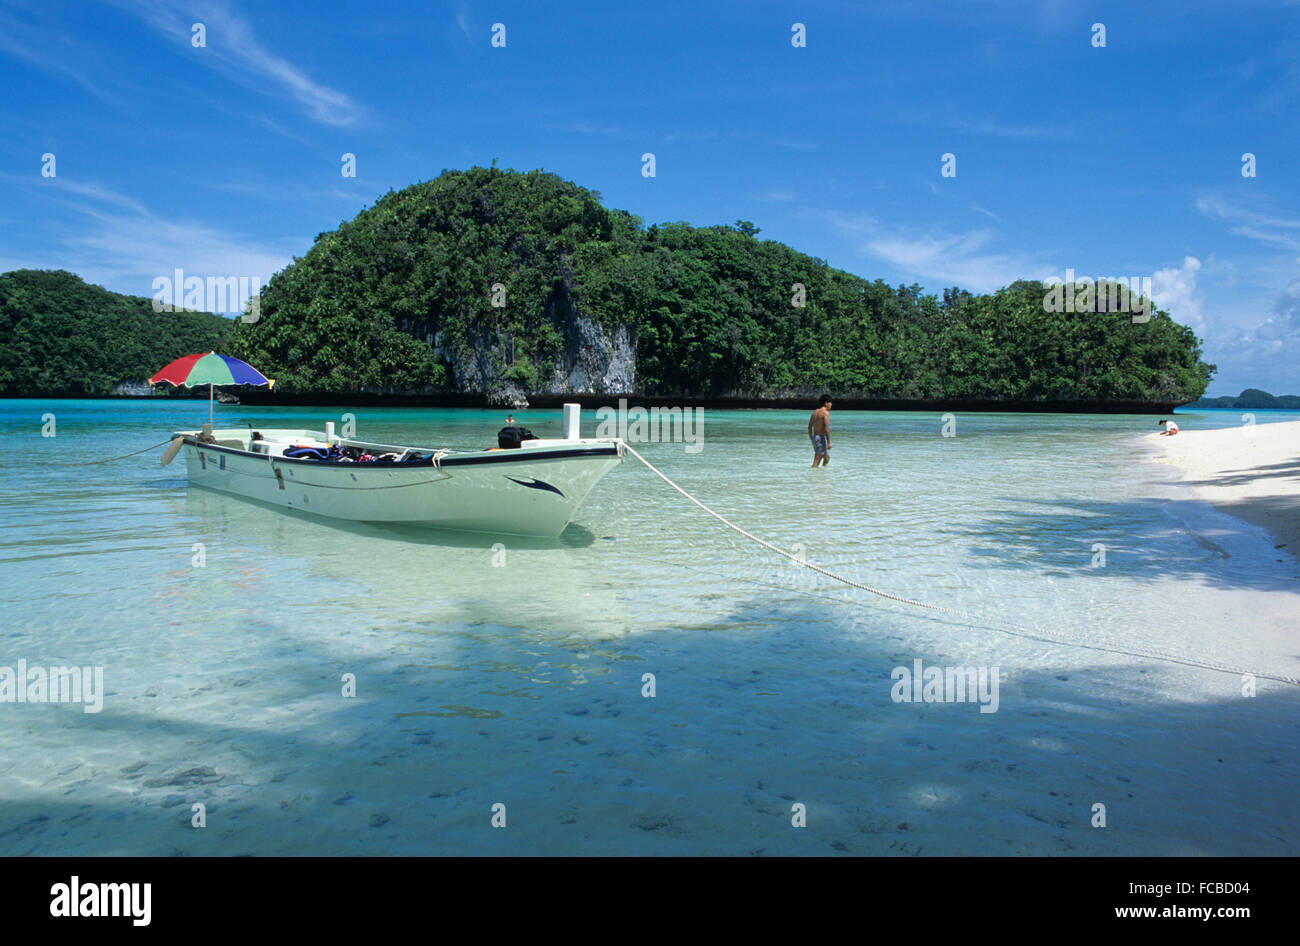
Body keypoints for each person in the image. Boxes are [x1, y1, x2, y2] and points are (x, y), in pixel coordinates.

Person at [808, 394, 832, 467]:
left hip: (815, 437)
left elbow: (809, 427)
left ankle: (822, 475)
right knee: (817, 459)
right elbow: (826, 428)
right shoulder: (825, 413)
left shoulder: (815, 412)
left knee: (826, 458)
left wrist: (812, 438)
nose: (831, 404)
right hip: (821, 438)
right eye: (830, 402)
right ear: (826, 403)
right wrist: (828, 442)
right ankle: (813, 475)